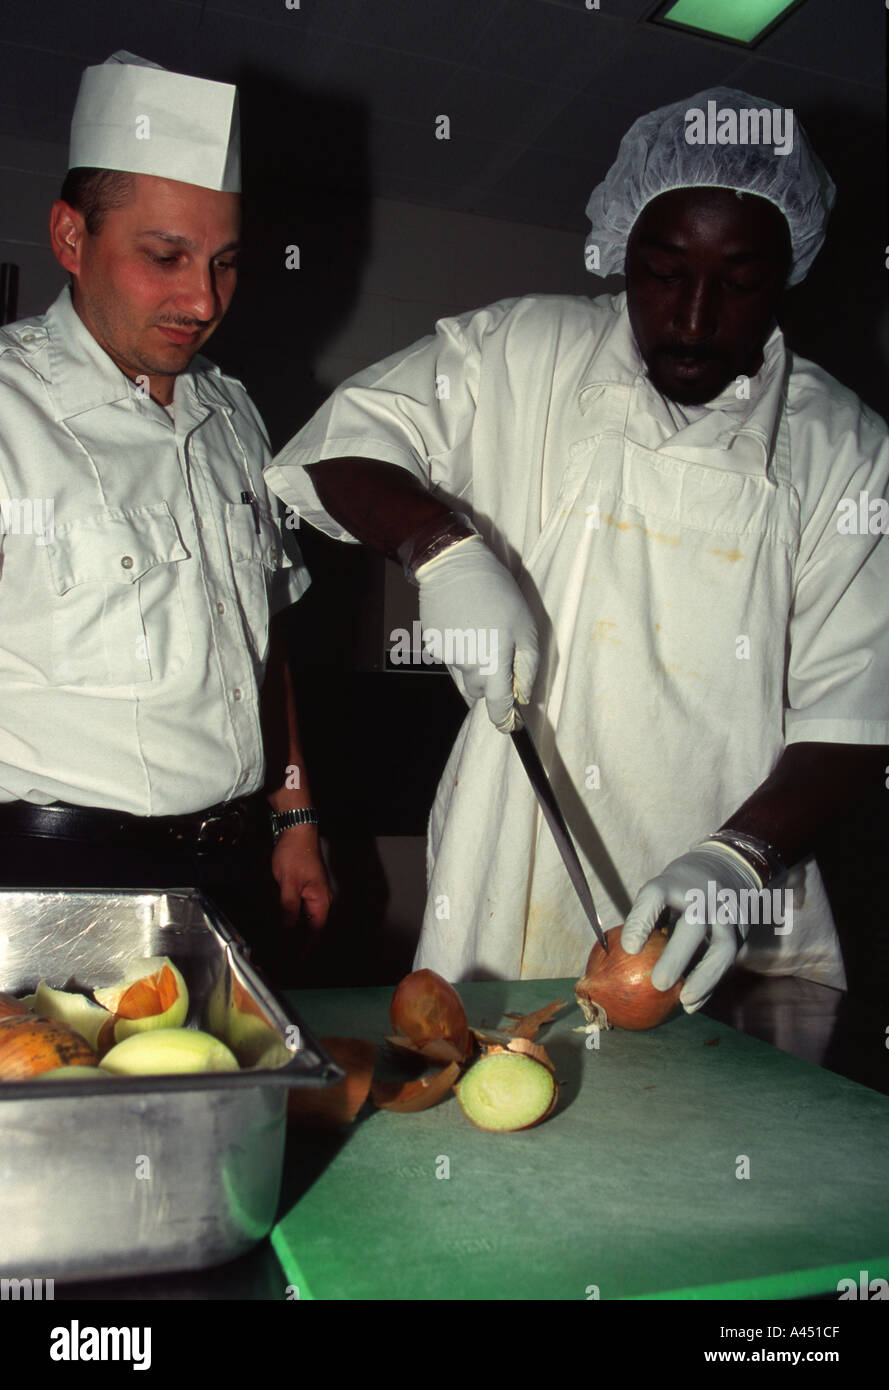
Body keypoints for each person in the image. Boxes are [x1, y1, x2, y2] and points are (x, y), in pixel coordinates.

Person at [262, 87, 888, 1008]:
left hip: (740, 914)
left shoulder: (847, 448)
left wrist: (735, 859)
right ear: (621, 252)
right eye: (662, 271)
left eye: (740, 281)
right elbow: (336, 449)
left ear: (788, 271)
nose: (691, 316)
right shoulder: (528, 349)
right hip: (508, 870)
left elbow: (855, 711)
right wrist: (440, 550)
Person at [0, 52, 331, 977]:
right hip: (50, 876)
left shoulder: (233, 415)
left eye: (225, 263)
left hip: (229, 867)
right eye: (165, 257)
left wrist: (294, 815)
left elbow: (262, 638)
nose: (203, 301)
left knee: (232, 1119)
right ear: (70, 237)